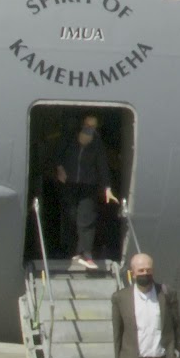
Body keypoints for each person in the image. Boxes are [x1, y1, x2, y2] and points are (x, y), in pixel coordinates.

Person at [55, 114, 118, 269]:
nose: (90, 130)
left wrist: (107, 188)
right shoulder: (69, 139)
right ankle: (71, 251)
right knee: (70, 217)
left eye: (93, 127)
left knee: (86, 219)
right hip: (69, 184)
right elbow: (57, 155)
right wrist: (60, 169)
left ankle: (86, 254)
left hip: (88, 185)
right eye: (87, 125)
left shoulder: (97, 144)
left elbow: (102, 166)